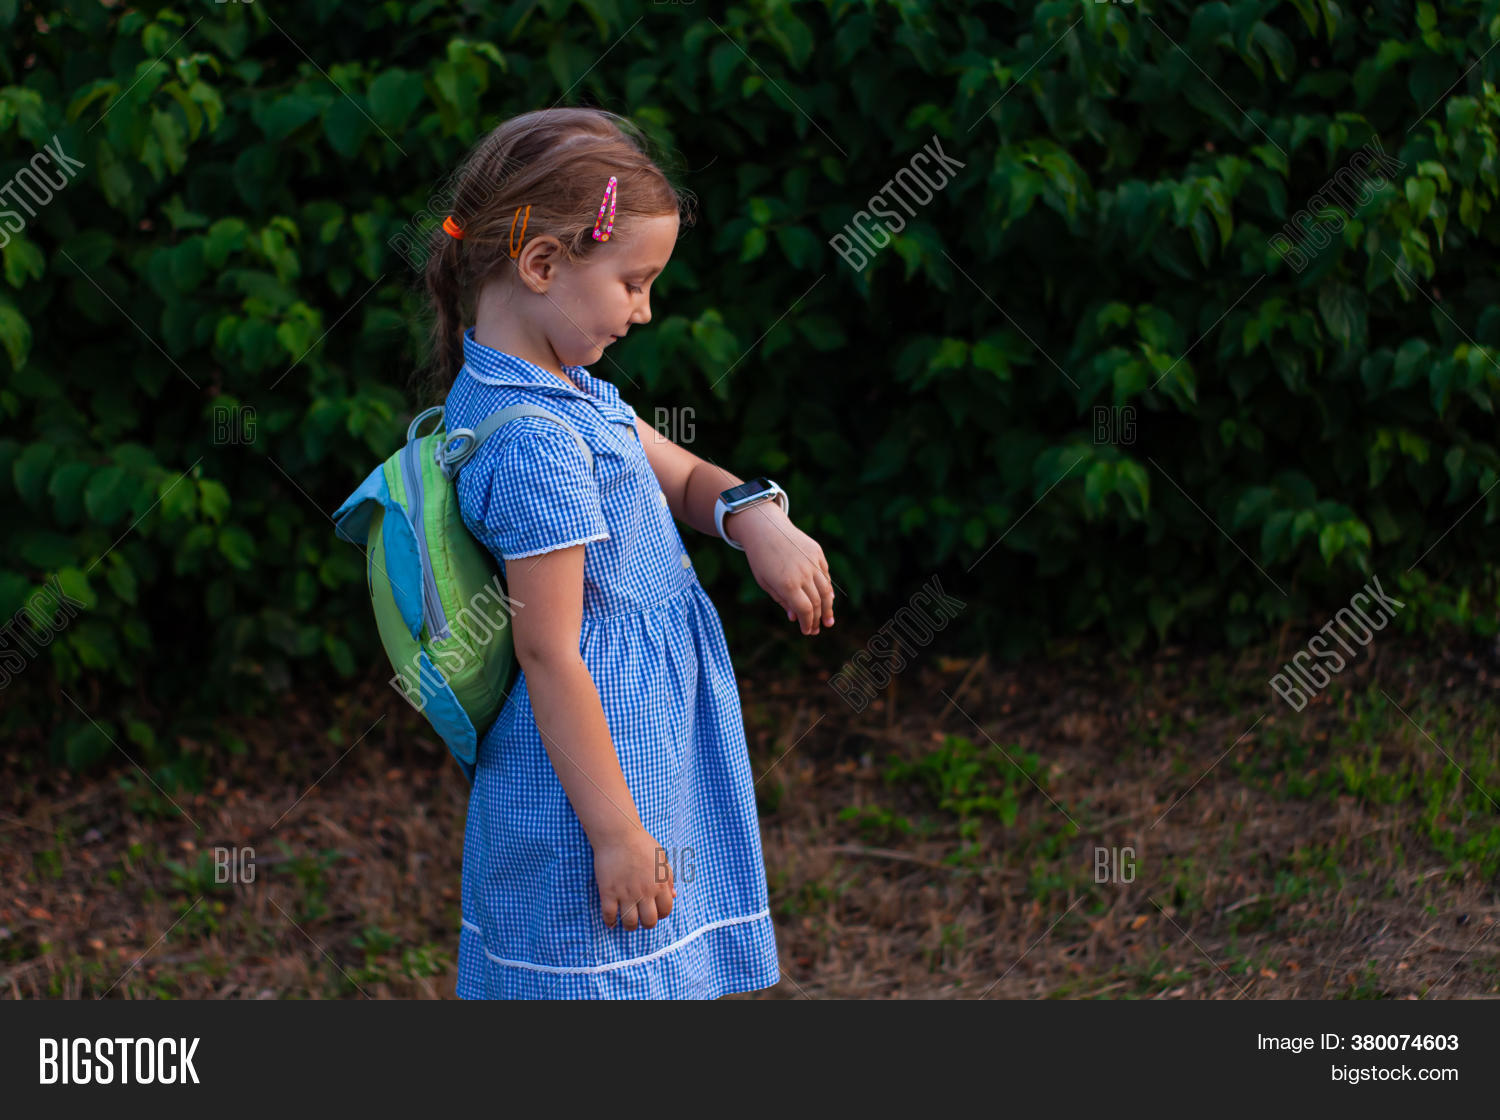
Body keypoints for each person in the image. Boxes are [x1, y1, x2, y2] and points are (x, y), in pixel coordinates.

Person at [419, 107, 836, 998]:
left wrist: (756, 518)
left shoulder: (561, 392)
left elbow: (680, 476)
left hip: (637, 748)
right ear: (541, 265)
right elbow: (549, 651)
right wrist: (615, 832)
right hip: (596, 780)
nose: (645, 310)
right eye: (634, 282)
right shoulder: (535, 443)